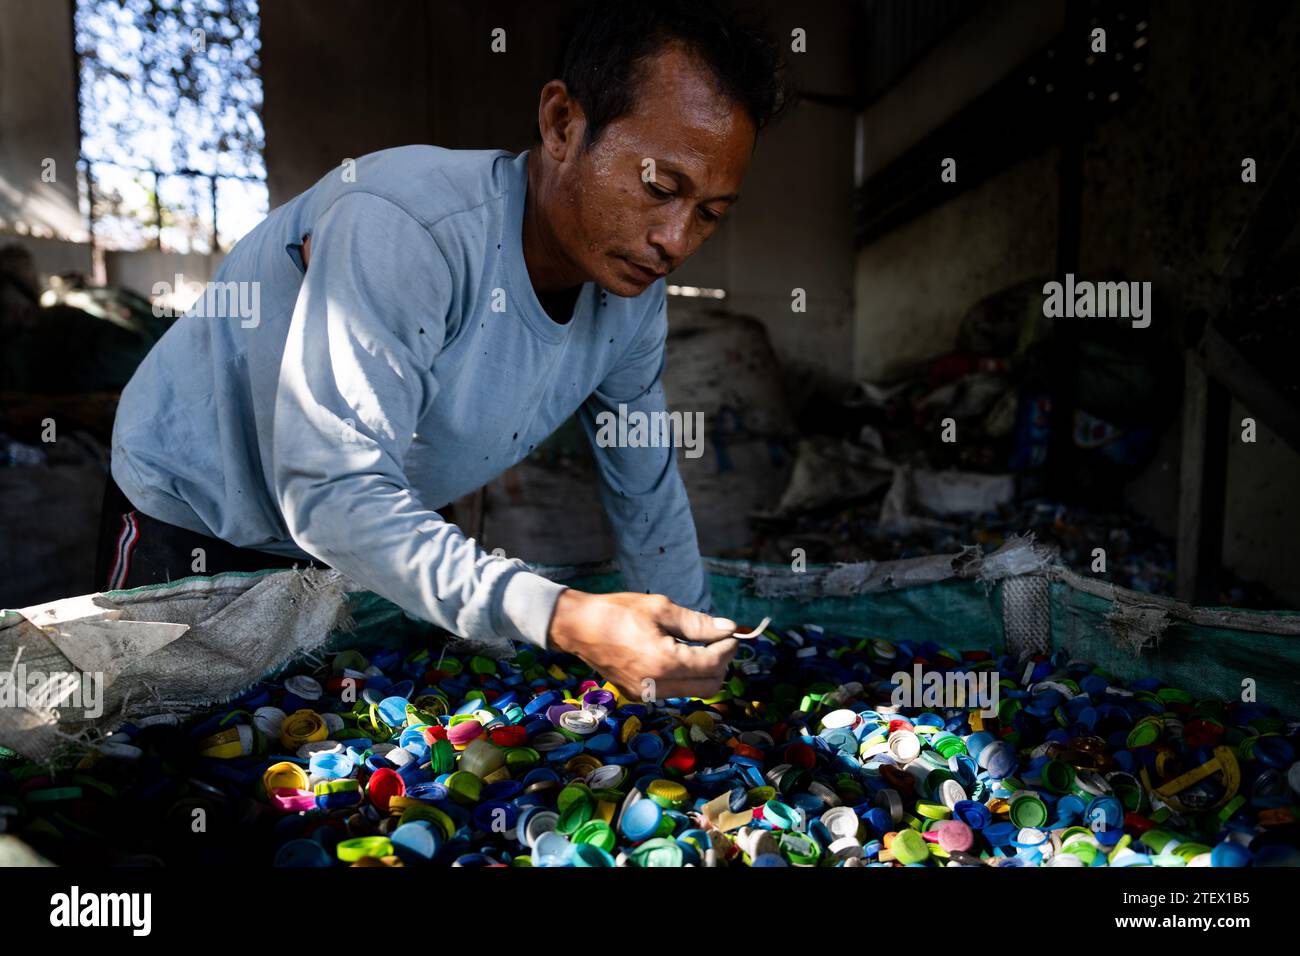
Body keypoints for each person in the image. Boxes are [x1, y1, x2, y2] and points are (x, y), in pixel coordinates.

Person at [103, 0, 785, 699]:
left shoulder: (631, 303)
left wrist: (694, 656)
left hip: (365, 531)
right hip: (194, 513)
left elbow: (644, 489)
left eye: (708, 214)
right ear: (561, 124)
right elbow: (334, 494)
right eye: (659, 187)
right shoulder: (408, 228)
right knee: (166, 734)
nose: (675, 240)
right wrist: (563, 616)